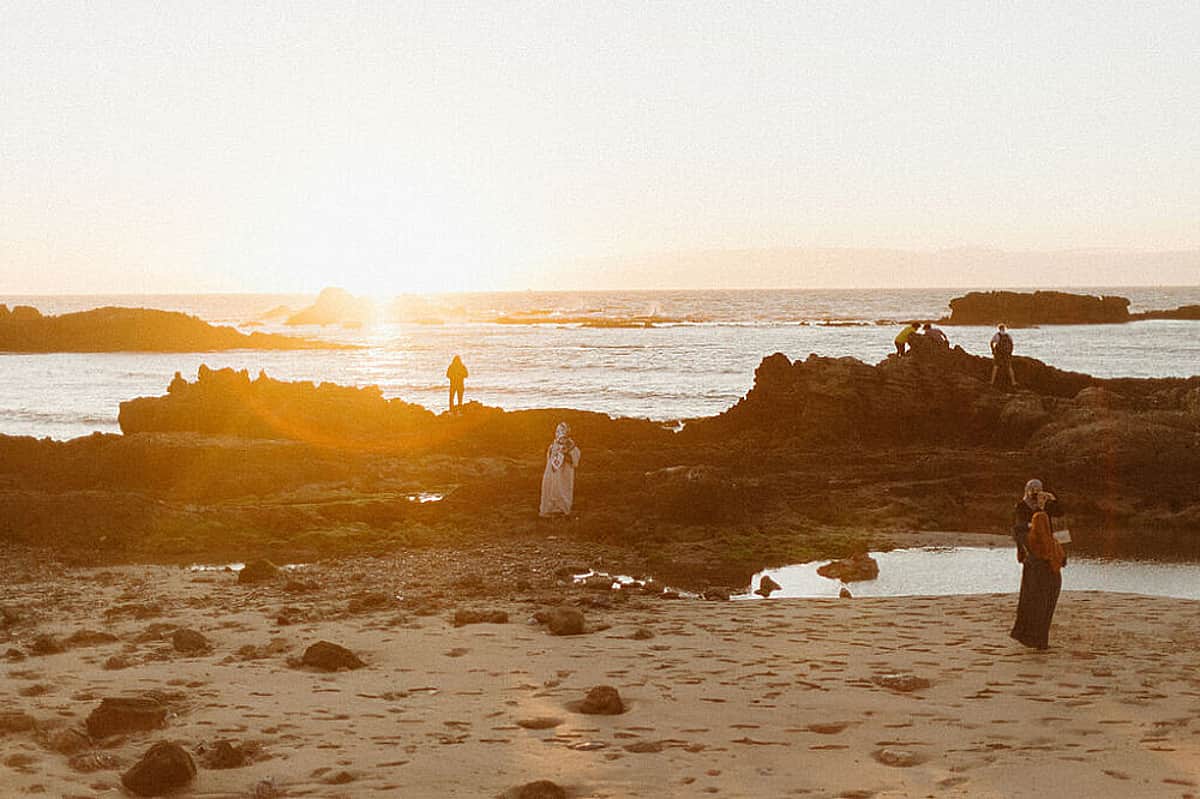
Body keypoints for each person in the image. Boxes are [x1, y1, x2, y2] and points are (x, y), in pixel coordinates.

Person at [1010, 480, 1067, 650]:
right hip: (1035, 560)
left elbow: (1059, 521)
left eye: (1039, 490)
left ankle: (1040, 639)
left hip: (1049, 558)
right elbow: (1028, 531)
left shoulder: (1045, 508)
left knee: (1047, 599)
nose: (1036, 493)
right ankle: (1032, 638)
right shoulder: (1022, 507)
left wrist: (1053, 501)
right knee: (1034, 600)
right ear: (1026, 490)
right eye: (1032, 490)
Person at [539, 422, 581, 517]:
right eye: (558, 431)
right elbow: (549, 459)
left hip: (565, 473)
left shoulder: (571, 446)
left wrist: (564, 454)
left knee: (563, 489)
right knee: (550, 488)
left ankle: (562, 509)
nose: (559, 433)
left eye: (562, 431)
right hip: (552, 473)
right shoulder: (552, 446)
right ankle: (549, 509)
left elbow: (575, 460)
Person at [990, 324, 1017, 388]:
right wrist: (1010, 352)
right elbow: (1012, 344)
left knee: (996, 367)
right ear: (1004, 328)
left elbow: (991, 342)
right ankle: (1013, 382)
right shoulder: (1008, 335)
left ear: (999, 328)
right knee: (1009, 367)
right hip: (1007, 354)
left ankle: (992, 381)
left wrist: (993, 350)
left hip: (999, 354)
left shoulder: (997, 335)